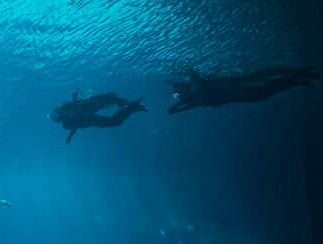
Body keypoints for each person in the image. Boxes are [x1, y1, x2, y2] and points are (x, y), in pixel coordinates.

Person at [168, 66, 319, 114]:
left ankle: (297, 77)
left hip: (235, 88)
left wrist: (177, 104)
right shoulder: (194, 97)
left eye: (179, 91)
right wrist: (176, 105)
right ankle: (296, 79)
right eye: (178, 93)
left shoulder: (195, 92)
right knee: (264, 90)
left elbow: (177, 108)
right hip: (236, 92)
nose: (179, 94)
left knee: (263, 85)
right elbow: (179, 108)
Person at [49, 90, 147, 144]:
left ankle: (133, 104)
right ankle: (134, 107)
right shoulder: (65, 124)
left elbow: (74, 106)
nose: (56, 116)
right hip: (90, 119)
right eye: (54, 117)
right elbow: (75, 127)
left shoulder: (64, 109)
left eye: (54, 115)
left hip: (88, 107)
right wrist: (70, 137)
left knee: (111, 98)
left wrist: (75, 97)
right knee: (115, 121)